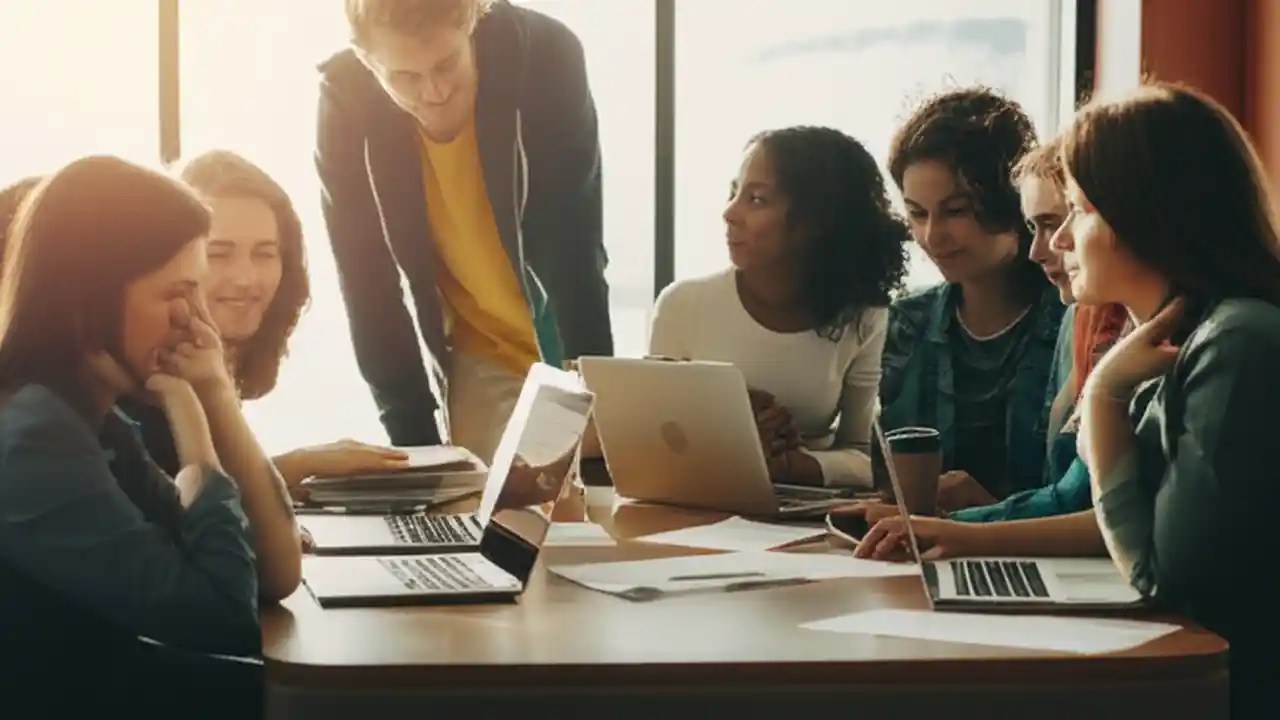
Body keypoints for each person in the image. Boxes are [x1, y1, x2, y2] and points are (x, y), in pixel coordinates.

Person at [0, 156, 294, 660]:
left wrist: (208, 394)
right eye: (176, 294)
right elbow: (224, 616)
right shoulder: (33, 437)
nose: (194, 320)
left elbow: (265, 573)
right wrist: (197, 439)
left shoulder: (95, 419)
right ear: (88, 305)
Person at [317, 0, 612, 463]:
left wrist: (597, 397)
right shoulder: (345, 101)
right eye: (404, 78)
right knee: (489, 521)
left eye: (446, 64)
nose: (433, 92)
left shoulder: (547, 58)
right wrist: (415, 447)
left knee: (591, 512)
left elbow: (575, 249)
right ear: (366, 61)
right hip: (479, 353)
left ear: (473, 20)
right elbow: (367, 286)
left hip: (561, 339)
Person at [117, 150, 412, 489]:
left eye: (265, 254)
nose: (246, 278)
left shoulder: (209, 360)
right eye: (218, 254)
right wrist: (300, 464)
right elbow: (183, 512)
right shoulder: (142, 383)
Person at [649, 126, 909, 488]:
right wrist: (731, 432)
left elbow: (864, 457)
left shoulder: (864, 317)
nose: (729, 212)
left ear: (816, 221)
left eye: (756, 199)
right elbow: (649, 444)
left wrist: (789, 466)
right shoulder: (683, 305)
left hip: (805, 517)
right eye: (734, 192)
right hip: (698, 505)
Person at [881, 87, 1064, 508]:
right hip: (926, 548)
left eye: (956, 210)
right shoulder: (909, 324)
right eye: (917, 213)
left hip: (1038, 553)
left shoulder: (1072, 322)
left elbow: (1081, 495)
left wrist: (993, 506)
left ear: (1009, 202)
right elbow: (885, 475)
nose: (932, 236)